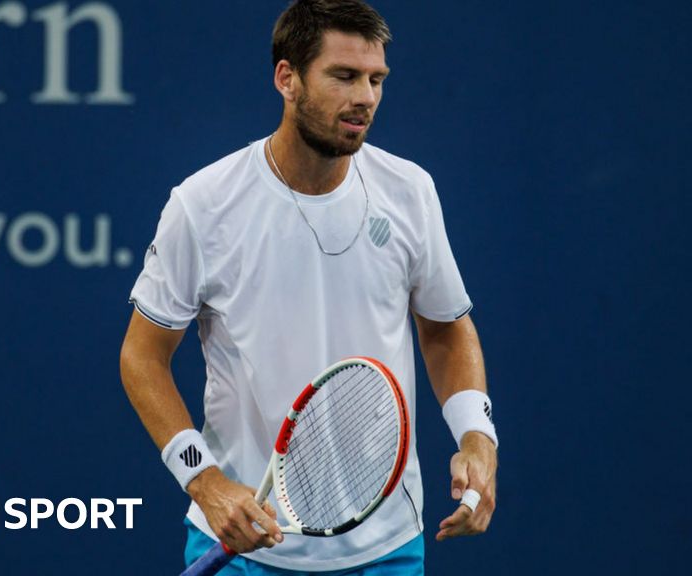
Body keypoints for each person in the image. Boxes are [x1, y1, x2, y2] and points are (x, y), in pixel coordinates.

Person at [120, 1, 498, 573]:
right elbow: (142, 356)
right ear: (287, 79)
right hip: (242, 548)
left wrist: (476, 435)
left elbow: (446, 328)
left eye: (376, 80)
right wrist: (204, 480)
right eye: (344, 76)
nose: (366, 97)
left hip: (387, 548)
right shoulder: (202, 205)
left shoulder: (411, 192)